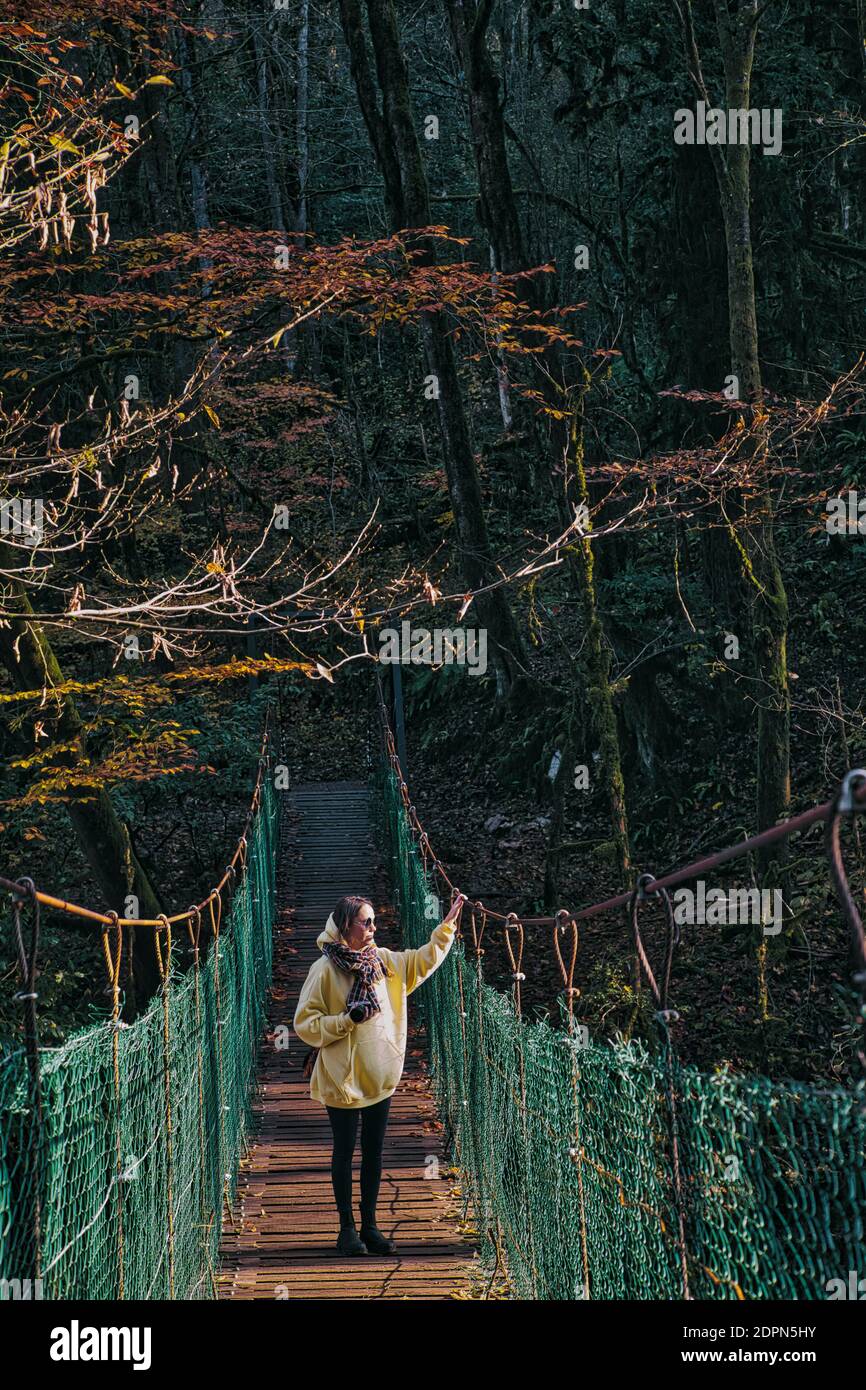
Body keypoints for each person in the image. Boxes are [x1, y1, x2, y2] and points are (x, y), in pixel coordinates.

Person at [293, 890, 466, 1255]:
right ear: (345, 927)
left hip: (380, 1077)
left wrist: (446, 929)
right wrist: (344, 1021)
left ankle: (370, 1227)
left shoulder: (385, 963)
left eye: (374, 920)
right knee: (345, 1151)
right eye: (366, 921)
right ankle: (347, 1231)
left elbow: (421, 961)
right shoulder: (324, 970)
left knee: (373, 1152)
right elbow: (305, 1025)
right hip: (342, 1078)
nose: (374, 927)